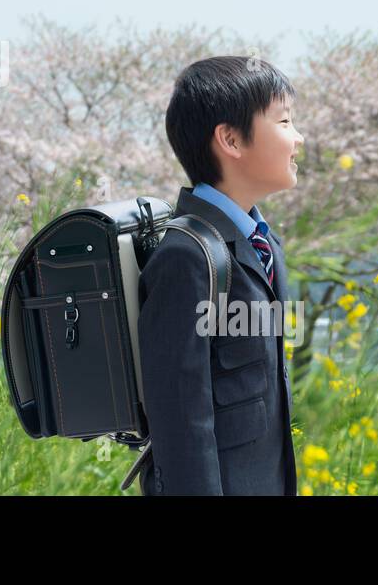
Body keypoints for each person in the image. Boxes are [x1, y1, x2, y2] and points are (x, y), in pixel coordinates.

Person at [137, 55, 302, 495]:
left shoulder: (263, 242)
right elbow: (180, 419)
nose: (298, 138)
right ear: (230, 139)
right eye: (284, 122)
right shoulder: (187, 257)